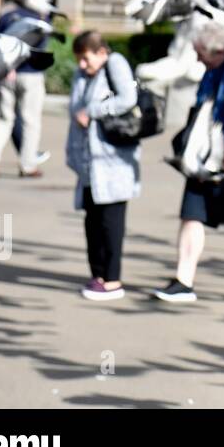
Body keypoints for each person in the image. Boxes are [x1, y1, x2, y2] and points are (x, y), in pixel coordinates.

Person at [151, 22, 224, 304]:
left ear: (217, 50)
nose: (197, 57)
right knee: (192, 214)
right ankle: (183, 280)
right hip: (204, 156)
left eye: (199, 51)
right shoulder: (214, 68)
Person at [66, 31, 141, 302]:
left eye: (86, 59)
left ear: (101, 52)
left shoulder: (115, 63)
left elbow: (128, 98)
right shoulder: (82, 74)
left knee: (111, 221)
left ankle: (112, 280)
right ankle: (97, 274)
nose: (82, 65)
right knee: (92, 220)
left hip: (113, 161)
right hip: (89, 162)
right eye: (79, 60)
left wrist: (94, 111)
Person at [0, 0, 51, 178]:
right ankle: (28, 165)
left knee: (4, 117)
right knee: (30, 121)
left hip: (7, 73)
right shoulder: (41, 18)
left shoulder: (7, 17)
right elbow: (40, 46)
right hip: (31, 74)